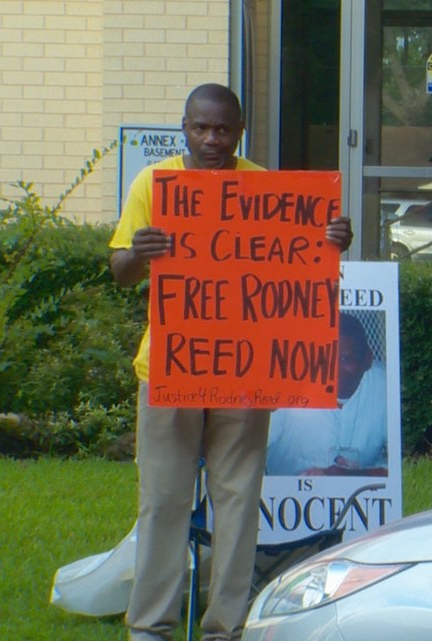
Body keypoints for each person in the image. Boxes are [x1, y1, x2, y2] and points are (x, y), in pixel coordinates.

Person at [108, 83, 353, 641]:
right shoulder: (156, 183)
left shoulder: (266, 187)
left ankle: (226, 626)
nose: (212, 139)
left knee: (239, 501)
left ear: (240, 130)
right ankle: (150, 625)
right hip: (169, 369)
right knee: (162, 500)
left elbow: (305, 272)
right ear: (184, 128)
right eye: (201, 127)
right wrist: (138, 255)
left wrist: (334, 240)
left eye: (223, 128)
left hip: (246, 371)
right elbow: (119, 270)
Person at [265, 312, 388, 476]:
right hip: (286, 496)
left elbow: (403, 465)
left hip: (362, 496)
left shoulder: (383, 384)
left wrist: (348, 476)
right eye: (324, 359)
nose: (333, 371)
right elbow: (247, 453)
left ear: (367, 359)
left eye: (345, 359)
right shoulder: (286, 384)